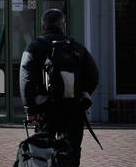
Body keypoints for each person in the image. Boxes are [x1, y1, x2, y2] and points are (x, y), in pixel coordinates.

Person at [18, 8, 99, 150]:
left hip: (45, 106)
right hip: (73, 106)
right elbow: (93, 74)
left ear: (43, 27)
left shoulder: (35, 47)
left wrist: (30, 109)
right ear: (64, 26)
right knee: (70, 148)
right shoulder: (76, 47)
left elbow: (26, 77)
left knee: (43, 149)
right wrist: (82, 94)